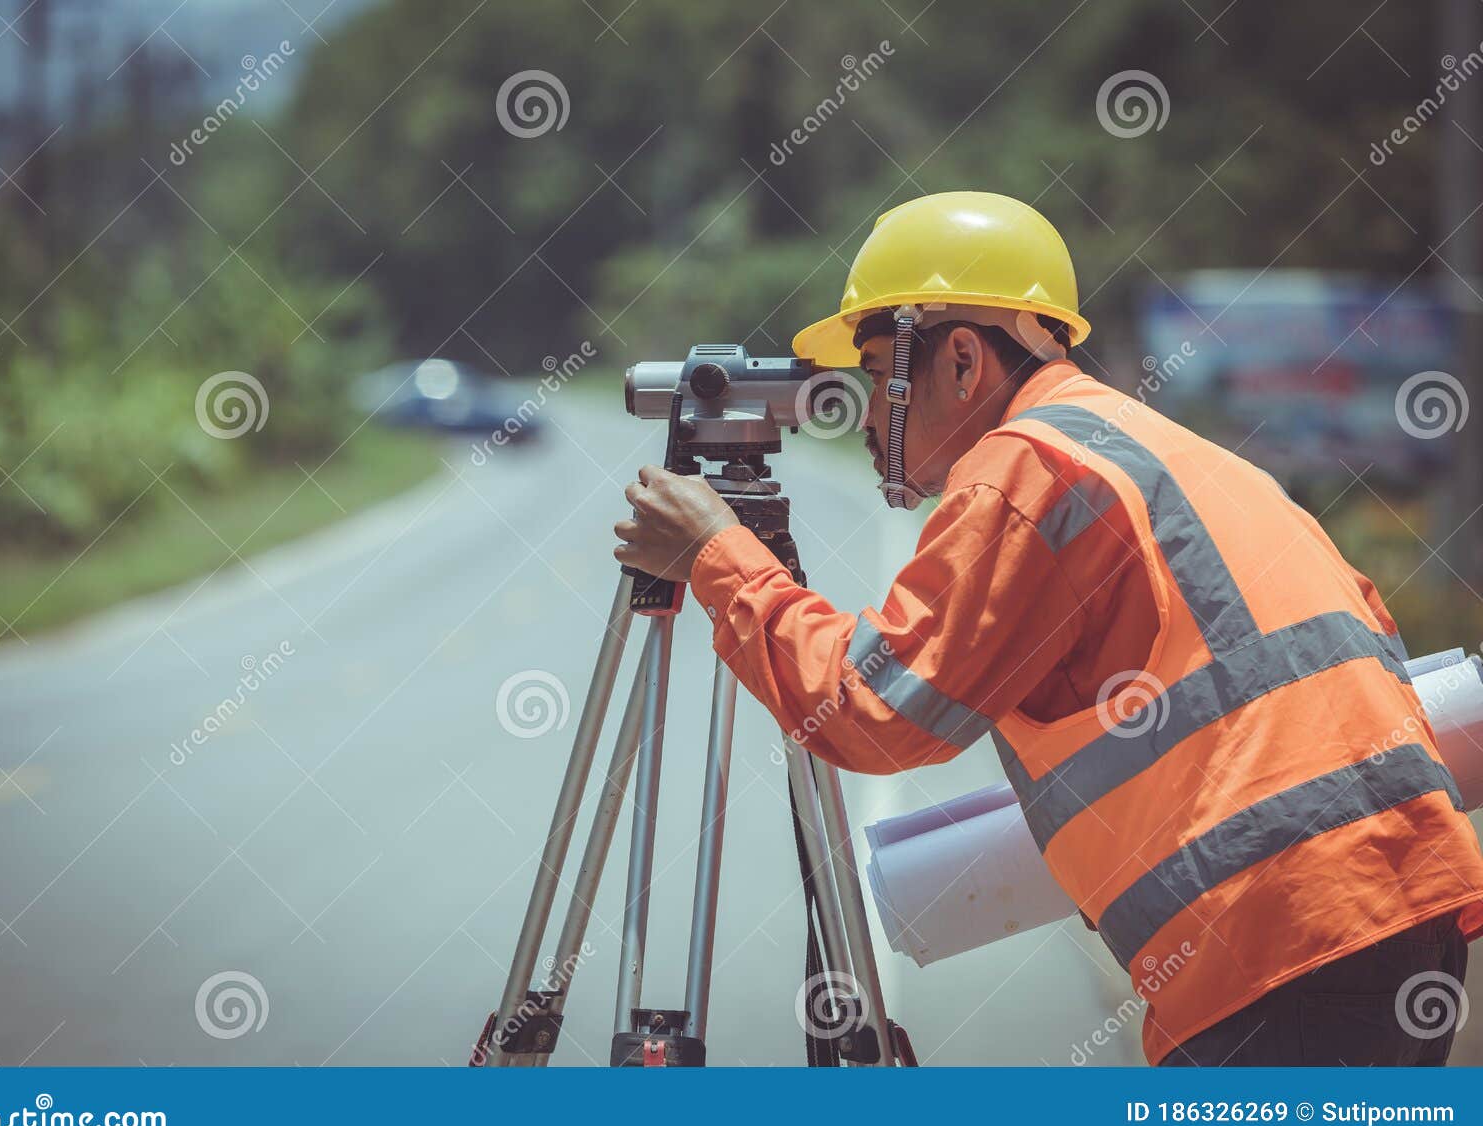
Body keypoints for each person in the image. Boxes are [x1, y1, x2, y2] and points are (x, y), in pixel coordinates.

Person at [611, 190, 1483, 1066]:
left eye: (878, 373)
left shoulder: (1024, 470)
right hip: (1407, 923)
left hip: (1280, 950)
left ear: (960, 359)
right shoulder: (1171, 451)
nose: (869, 413)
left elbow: (876, 710)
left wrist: (718, 554)